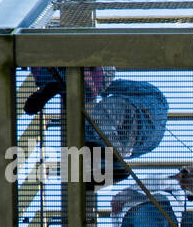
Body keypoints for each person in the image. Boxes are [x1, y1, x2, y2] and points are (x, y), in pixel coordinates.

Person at [25, 66, 169, 182]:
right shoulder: (157, 139)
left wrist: (103, 87)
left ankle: (57, 86)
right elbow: (133, 153)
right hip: (128, 144)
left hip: (126, 113)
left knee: (98, 120)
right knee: (91, 138)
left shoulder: (157, 95)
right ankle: (100, 168)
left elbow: (117, 86)